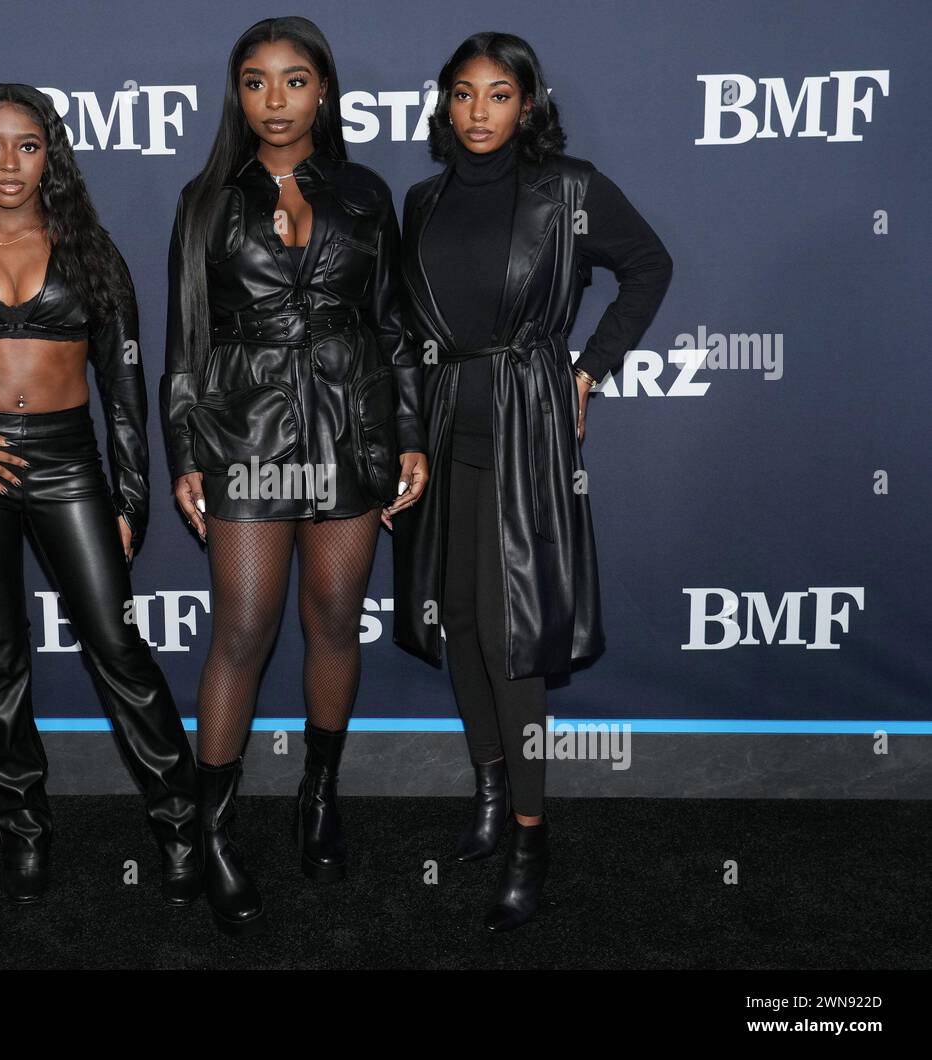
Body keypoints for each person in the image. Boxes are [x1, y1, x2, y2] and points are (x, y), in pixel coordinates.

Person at [0, 83, 199, 907]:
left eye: (27, 144)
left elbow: (125, 386)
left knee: (119, 650)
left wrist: (131, 498)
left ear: (51, 152)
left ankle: (183, 828)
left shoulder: (91, 250)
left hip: (68, 466)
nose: (9, 163)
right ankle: (23, 828)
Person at [393, 32, 673, 931]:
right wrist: (407, 434)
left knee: (515, 638)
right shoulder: (421, 200)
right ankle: (487, 789)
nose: (480, 112)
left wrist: (589, 369)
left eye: (499, 94)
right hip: (446, 429)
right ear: (444, 105)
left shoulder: (570, 191)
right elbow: (405, 328)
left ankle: (528, 833)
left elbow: (648, 268)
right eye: (465, 94)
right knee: (462, 621)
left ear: (528, 105)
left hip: (529, 428)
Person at [160, 16, 428, 936]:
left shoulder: (365, 192)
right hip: (245, 432)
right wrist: (183, 451)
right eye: (255, 81)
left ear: (324, 91)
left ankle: (320, 793)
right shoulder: (204, 200)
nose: (275, 100)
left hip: (351, 430)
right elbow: (184, 343)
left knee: (333, 620)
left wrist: (409, 434)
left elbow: (392, 325)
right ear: (236, 93)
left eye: (294, 80)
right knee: (240, 627)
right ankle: (215, 832)